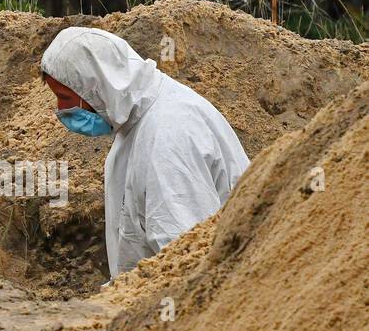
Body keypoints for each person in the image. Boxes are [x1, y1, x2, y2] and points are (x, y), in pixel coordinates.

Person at [40, 26, 249, 280]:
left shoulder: (169, 136)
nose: (61, 110)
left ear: (95, 85)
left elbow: (185, 264)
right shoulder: (135, 122)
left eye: (64, 97)